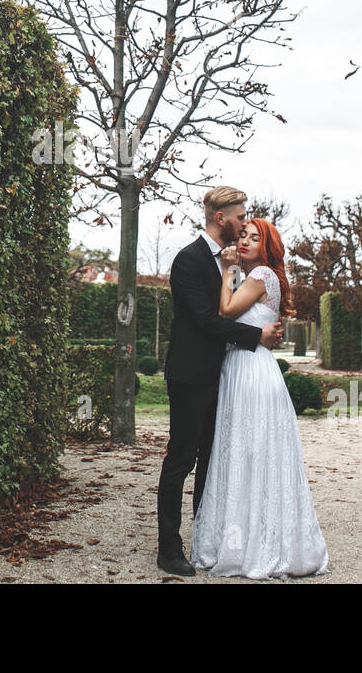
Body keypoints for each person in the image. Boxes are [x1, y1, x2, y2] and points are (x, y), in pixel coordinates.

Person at [189, 216, 329, 578]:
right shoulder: (255, 278)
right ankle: (246, 540)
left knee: (250, 450)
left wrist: (225, 271)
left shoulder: (261, 276)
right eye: (244, 236)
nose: (248, 241)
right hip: (245, 366)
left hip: (250, 371)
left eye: (256, 237)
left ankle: (256, 545)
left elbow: (226, 312)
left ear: (266, 246)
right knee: (245, 451)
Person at [156, 186, 282, 577]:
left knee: (213, 461)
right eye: (240, 217)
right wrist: (255, 338)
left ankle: (204, 540)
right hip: (191, 374)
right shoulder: (189, 260)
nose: (245, 222)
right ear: (220, 218)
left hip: (224, 378)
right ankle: (168, 549)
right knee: (181, 459)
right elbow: (206, 320)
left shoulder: (235, 264)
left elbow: (244, 307)